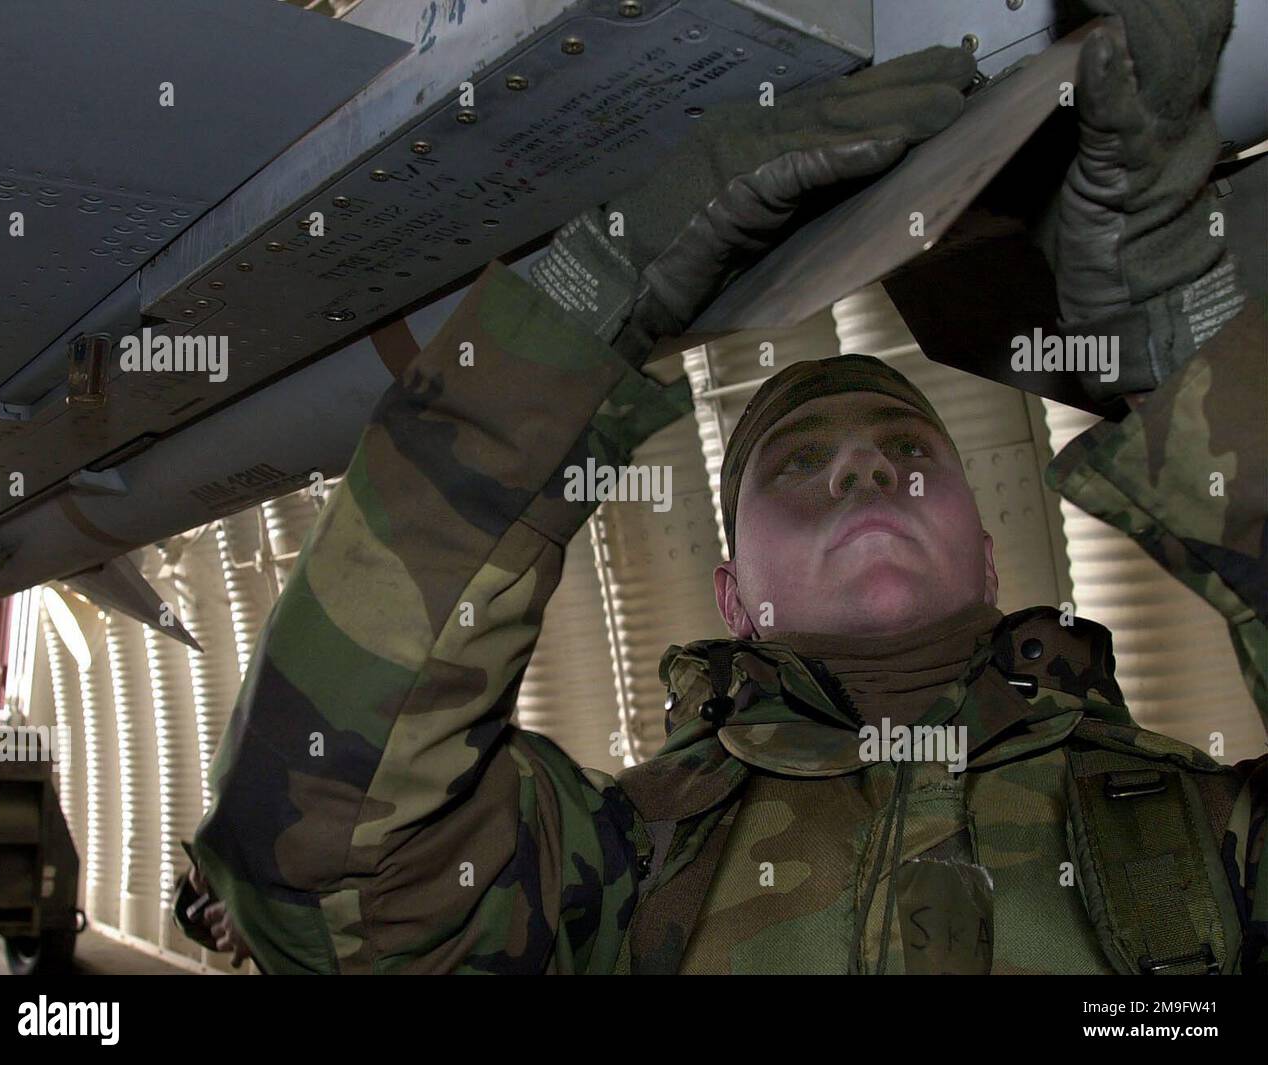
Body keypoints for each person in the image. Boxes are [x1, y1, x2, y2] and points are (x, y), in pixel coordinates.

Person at [180, 0, 1265, 973]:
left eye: (911, 455)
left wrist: (1190, 352)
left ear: (987, 556)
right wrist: (596, 290)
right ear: (735, 601)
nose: (863, 467)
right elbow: (321, 880)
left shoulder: (1207, 827)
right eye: (798, 465)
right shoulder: (613, 863)